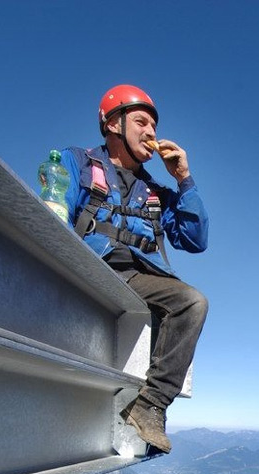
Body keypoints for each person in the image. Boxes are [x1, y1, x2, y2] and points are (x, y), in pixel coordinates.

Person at [61, 84, 209, 453]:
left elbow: (195, 239)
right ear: (113, 124)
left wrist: (184, 179)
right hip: (89, 269)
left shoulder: (157, 192)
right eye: (141, 121)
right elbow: (54, 218)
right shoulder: (77, 162)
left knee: (192, 302)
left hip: (135, 280)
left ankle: (150, 406)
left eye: (154, 127)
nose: (151, 133)